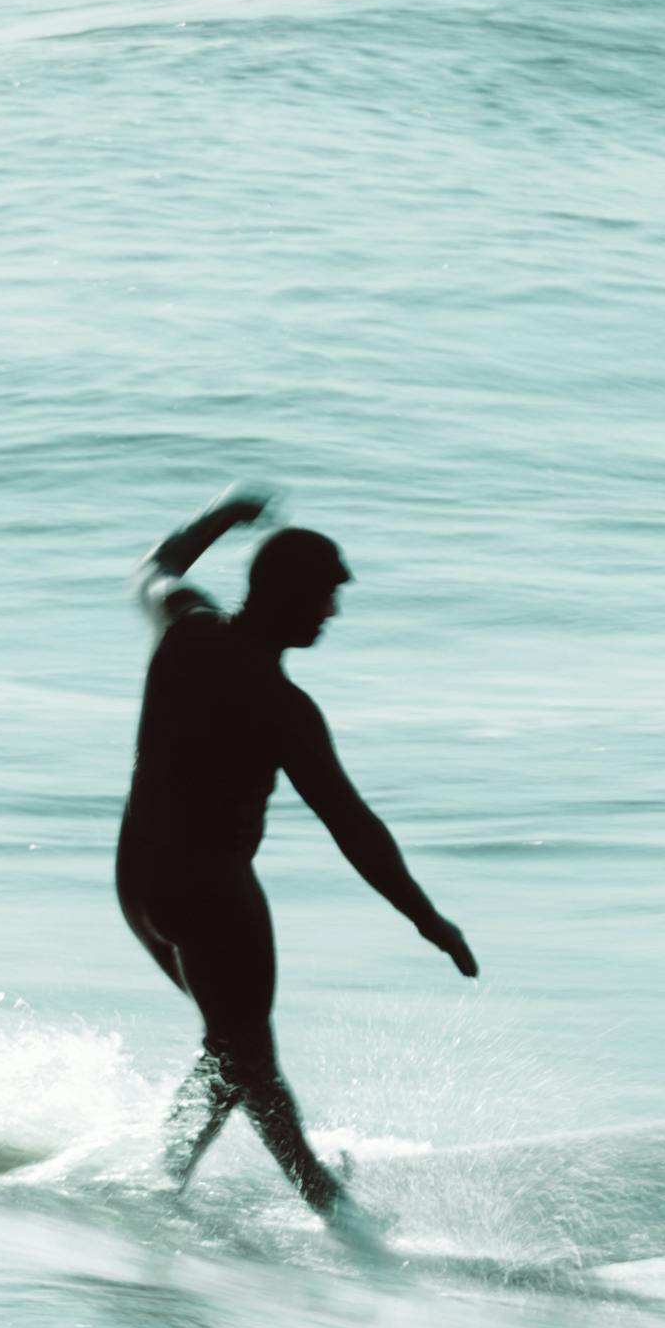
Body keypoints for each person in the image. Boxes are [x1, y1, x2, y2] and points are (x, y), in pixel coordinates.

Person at [115, 493, 475, 1214]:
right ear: (283, 593)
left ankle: (161, 1183)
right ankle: (329, 1205)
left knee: (234, 1047)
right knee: (246, 1053)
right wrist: (427, 919)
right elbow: (354, 827)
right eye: (325, 595)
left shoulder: (186, 632)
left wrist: (224, 514)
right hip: (213, 893)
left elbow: (156, 568)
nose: (332, 613)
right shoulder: (282, 708)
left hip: (141, 883)